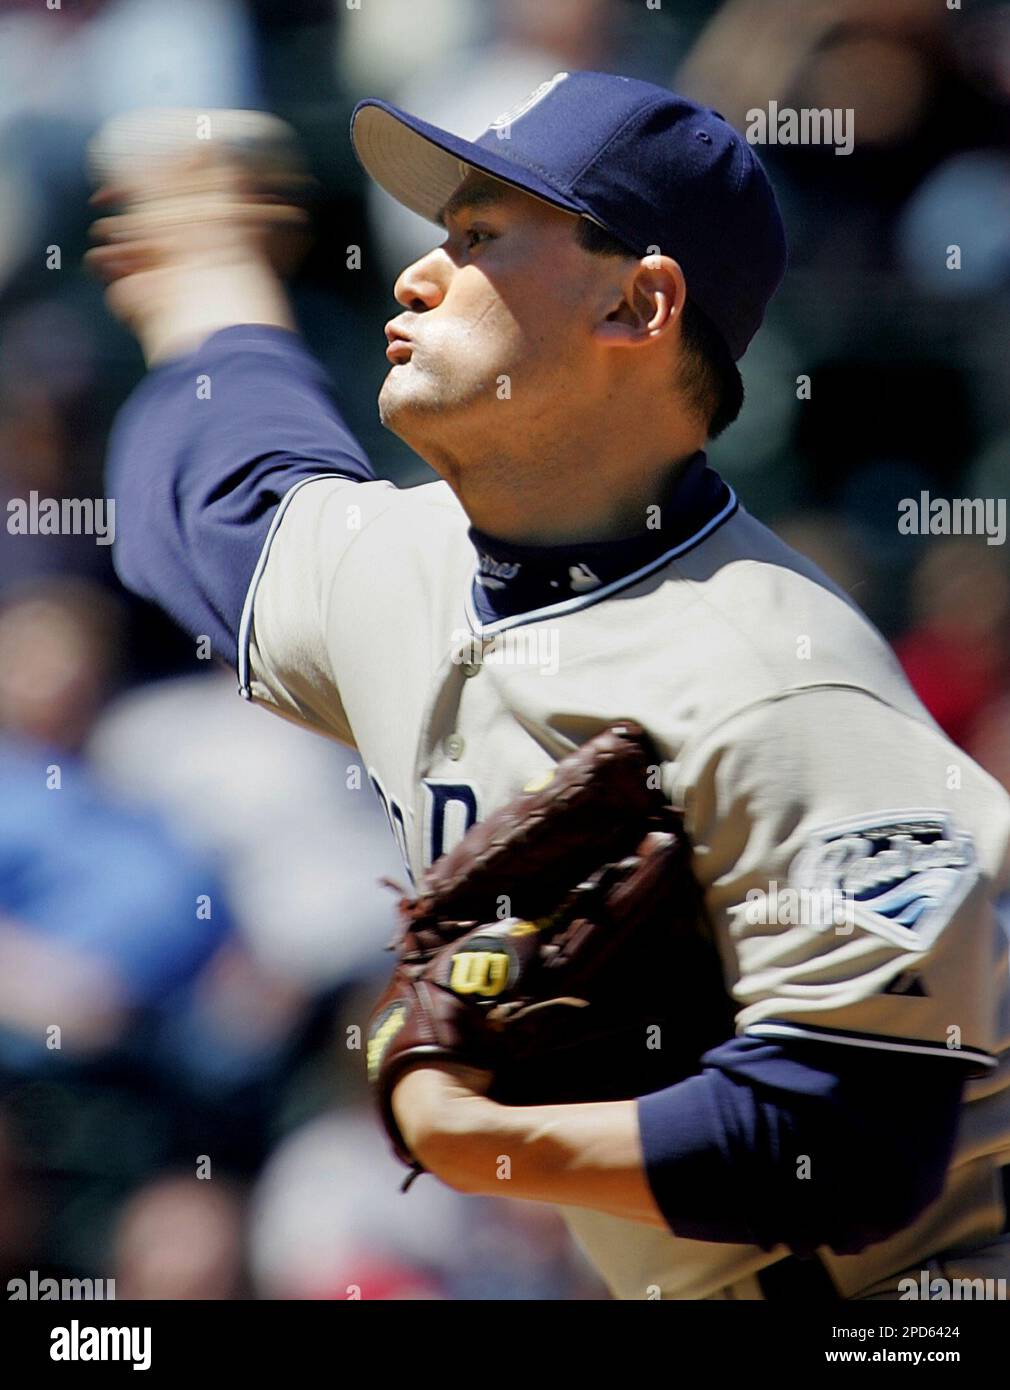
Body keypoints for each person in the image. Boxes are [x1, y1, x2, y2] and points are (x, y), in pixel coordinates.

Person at [90, 72, 1010, 1300]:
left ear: (639, 303)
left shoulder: (778, 680)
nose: (417, 276)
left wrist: (465, 1136)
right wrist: (208, 278)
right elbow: (221, 499)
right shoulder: (402, 566)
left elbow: (849, 1145)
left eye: (476, 240)